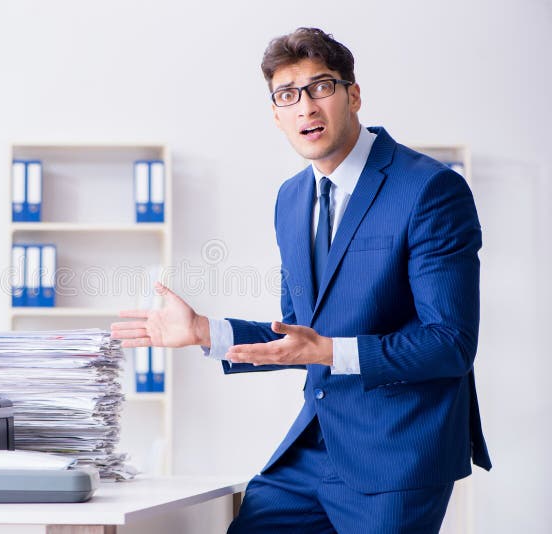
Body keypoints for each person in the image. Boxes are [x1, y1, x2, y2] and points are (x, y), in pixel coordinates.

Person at [111, 27, 491, 533]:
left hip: (399, 453)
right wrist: (205, 330)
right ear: (276, 114)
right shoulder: (291, 199)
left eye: (321, 87)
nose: (305, 107)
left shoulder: (430, 190)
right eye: (287, 95)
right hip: (314, 448)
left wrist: (329, 351)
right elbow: (299, 334)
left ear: (353, 95)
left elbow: (450, 344)